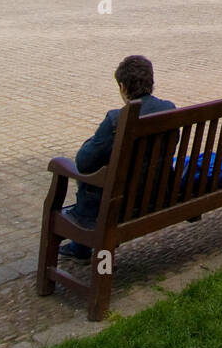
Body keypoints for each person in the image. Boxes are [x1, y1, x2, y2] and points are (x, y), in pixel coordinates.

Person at [59, 55, 176, 261]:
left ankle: (80, 247)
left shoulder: (116, 119)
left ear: (122, 87)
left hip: (117, 206)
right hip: (156, 195)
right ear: (151, 82)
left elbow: (84, 163)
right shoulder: (168, 109)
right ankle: (80, 247)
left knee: (89, 174)